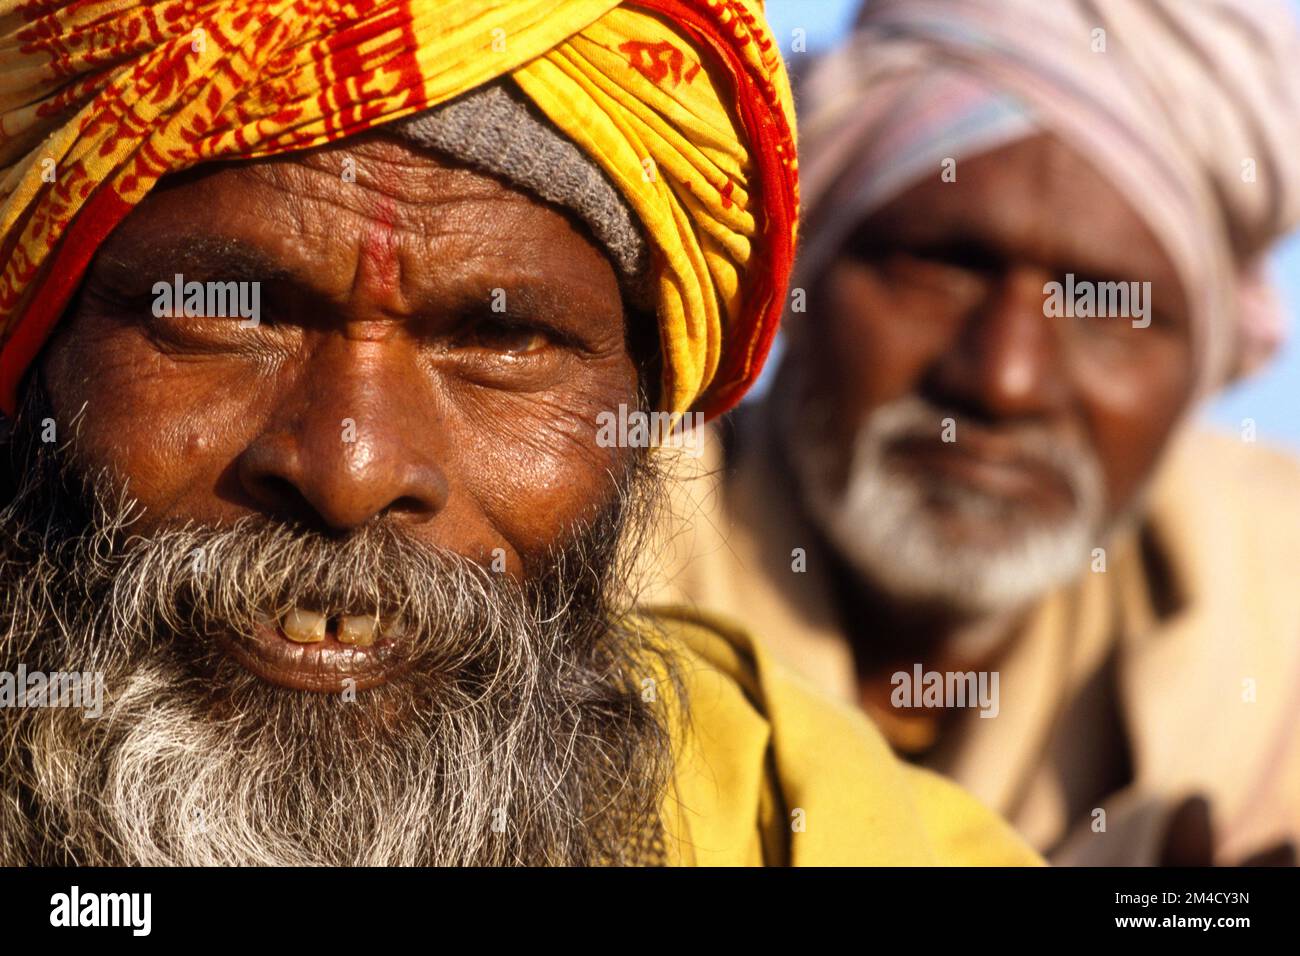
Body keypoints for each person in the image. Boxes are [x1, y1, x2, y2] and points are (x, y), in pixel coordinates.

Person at [0, 0, 1038, 867]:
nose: (352, 469)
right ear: (38, 335)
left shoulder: (814, 832)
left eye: (499, 337)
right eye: (232, 312)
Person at [644, 0, 1300, 865]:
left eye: (1102, 305)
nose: (1004, 379)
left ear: (1201, 367)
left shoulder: (1269, 609)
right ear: (794, 280)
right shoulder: (590, 547)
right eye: (942, 266)